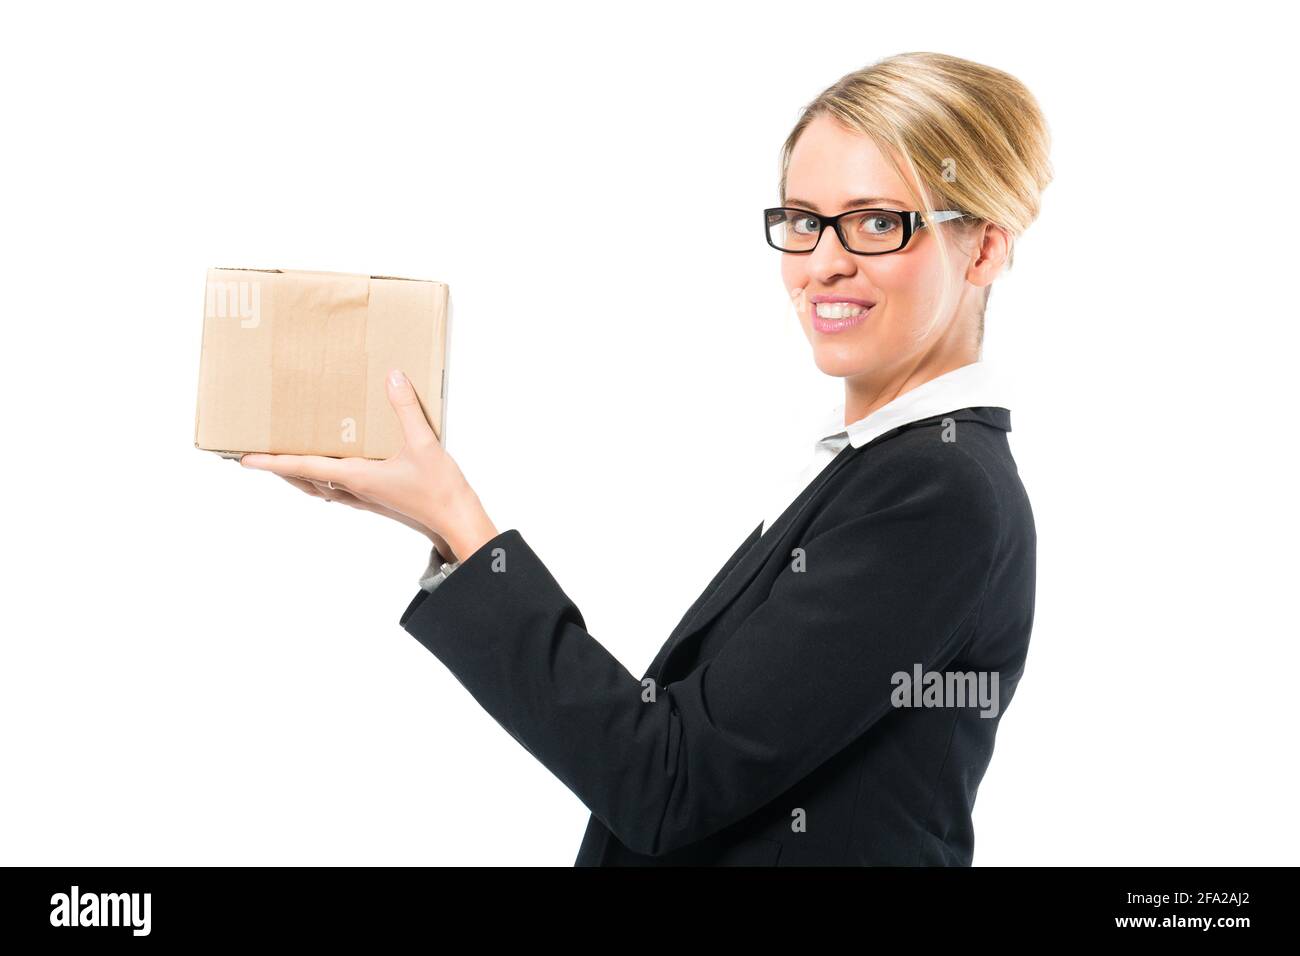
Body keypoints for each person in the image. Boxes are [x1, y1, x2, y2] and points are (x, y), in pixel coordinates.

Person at [239, 51, 1052, 865]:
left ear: (982, 251)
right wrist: (452, 536)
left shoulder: (937, 491)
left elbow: (668, 781)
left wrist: (459, 523)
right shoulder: (875, 469)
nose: (823, 262)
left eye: (879, 221)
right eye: (804, 220)